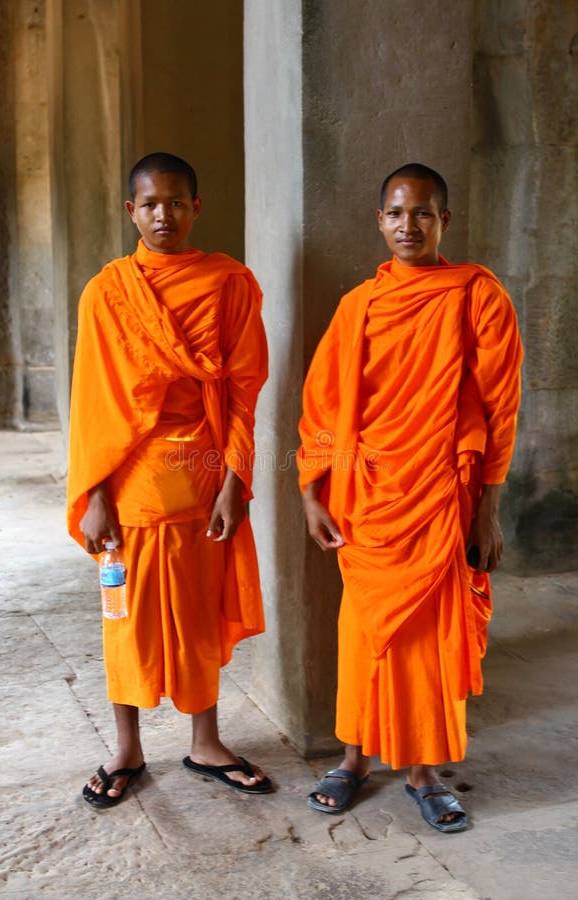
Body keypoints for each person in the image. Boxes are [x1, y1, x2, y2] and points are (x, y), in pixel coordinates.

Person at [297, 163, 523, 832]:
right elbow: (325, 410)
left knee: (427, 641)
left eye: (422, 213)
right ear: (379, 221)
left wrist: (488, 508)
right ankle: (354, 759)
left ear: (443, 221)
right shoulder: (358, 306)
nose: (408, 225)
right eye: (396, 213)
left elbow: (499, 408)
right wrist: (314, 494)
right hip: (368, 499)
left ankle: (425, 771)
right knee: (363, 633)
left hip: (442, 499)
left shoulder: (475, 296)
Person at [67, 152, 271, 807]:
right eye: (150, 204)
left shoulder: (228, 282)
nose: (164, 215)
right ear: (132, 211)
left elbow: (244, 391)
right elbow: (94, 404)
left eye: (177, 202)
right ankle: (127, 749)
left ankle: (205, 741)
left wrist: (234, 482)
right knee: (123, 618)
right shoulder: (107, 291)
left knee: (197, 617)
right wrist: (94, 495)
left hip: (201, 479)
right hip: (127, 490)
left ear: (196, 208)